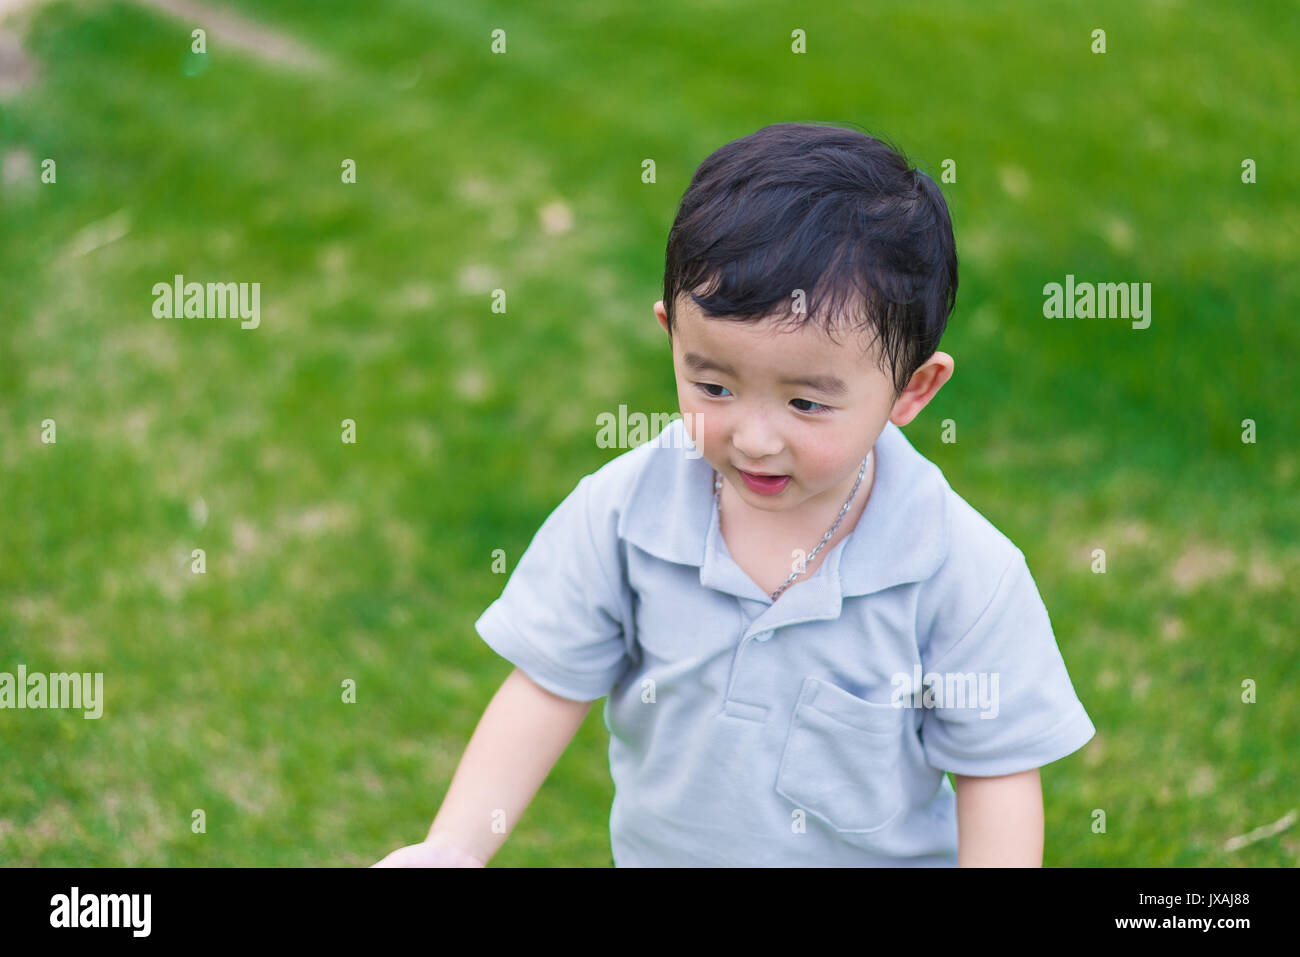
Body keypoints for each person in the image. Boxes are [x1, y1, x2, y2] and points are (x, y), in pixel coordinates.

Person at [374, 122, 1094, 868]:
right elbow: (546, 687)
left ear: (913, 389)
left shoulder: (959, 571)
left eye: (805, 404)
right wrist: (452, 847)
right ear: (671, 336)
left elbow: (997, 773)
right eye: (714, 385)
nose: (752, 438)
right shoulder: (624, 514)